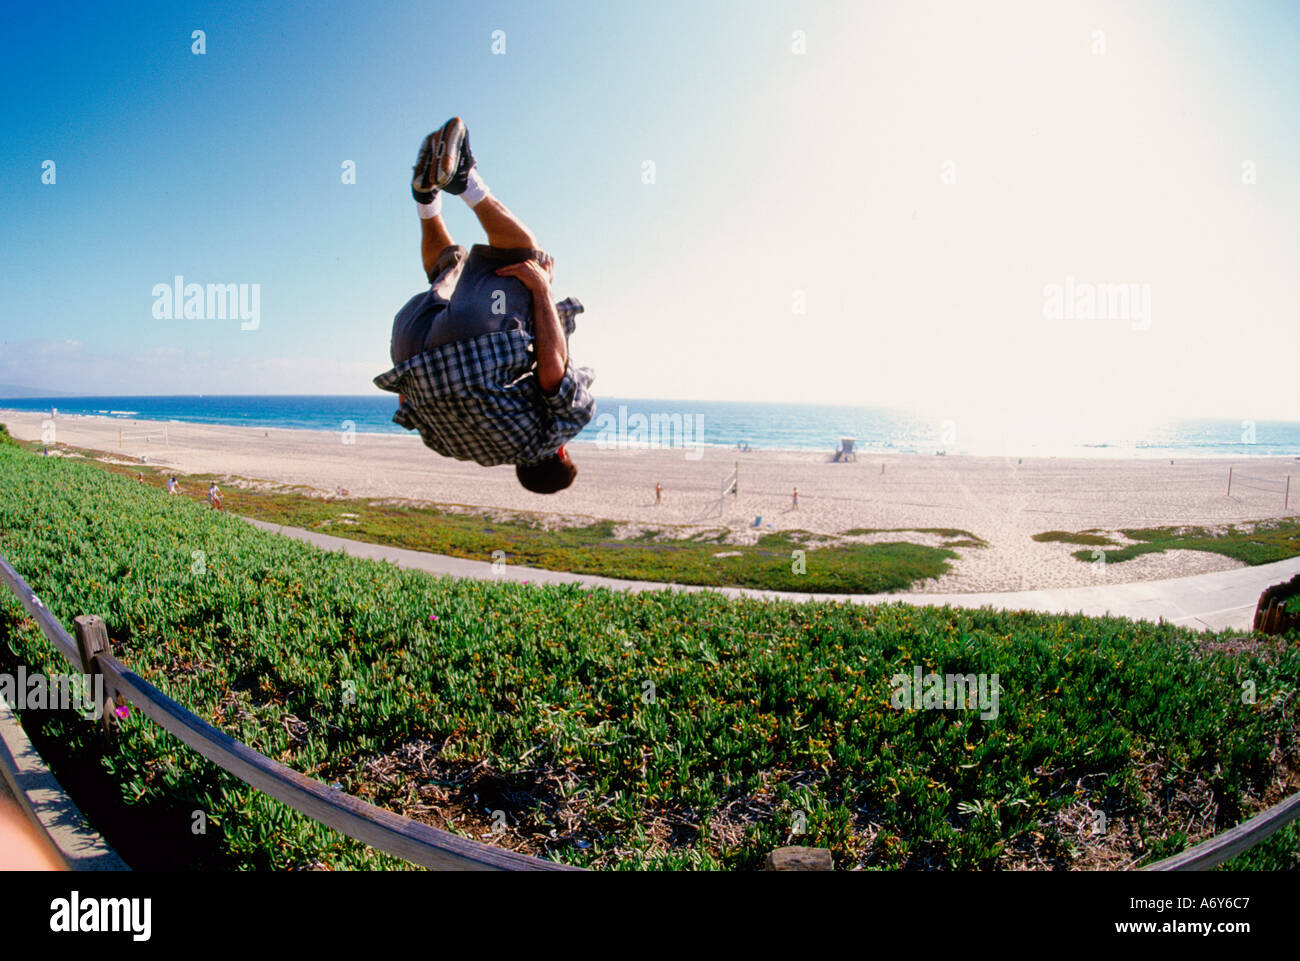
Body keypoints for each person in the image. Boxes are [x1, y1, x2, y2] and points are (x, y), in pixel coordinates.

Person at [373, 116, 595, 494]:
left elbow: (552, 376)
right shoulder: (456, 449)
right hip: (407, 341)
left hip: (474, 332)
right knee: (451, 266)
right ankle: (426, 199)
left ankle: (464, 179)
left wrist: (542, 289)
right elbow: (406, 403)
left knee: (525, 253)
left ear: (561, 453)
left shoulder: (564, 427)